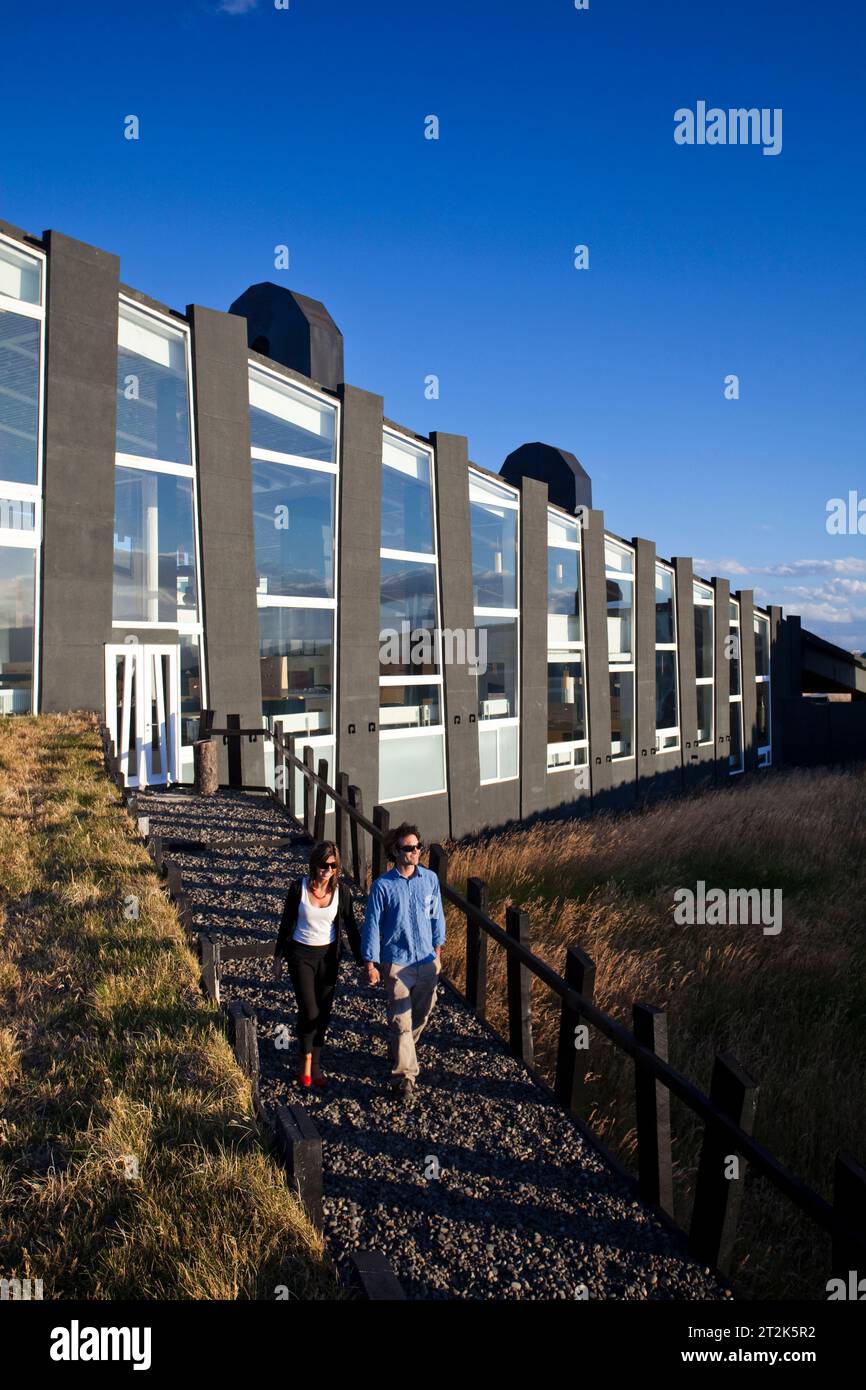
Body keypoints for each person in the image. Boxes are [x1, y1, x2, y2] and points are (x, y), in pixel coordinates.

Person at [360, 823, 446, 1103]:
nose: (415, 852)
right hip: (396, 961)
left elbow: (436, 915)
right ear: (395, 851)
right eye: (409, 848)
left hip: (425, 959)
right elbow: (372, 924)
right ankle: (405, 1077)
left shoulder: (430, 879)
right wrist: (370, 963)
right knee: (400, 1018)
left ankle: (401, 1046)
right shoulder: (383, 886)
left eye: (417, 847)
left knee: (422, 1011)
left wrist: (438, 948)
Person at [272, 840, 362, 1088]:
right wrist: (278, 959)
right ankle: (305, 1063)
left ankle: (316, 1065)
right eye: (323, 865)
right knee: (309, 1010)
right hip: (300, 955)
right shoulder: (297, 889)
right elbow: (286, 923)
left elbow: (351, 926)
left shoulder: (341, 892)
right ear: (314, 864)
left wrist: (364, 961)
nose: (327, 870)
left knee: (323, 1013)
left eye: (332, 866)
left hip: (328, 957)